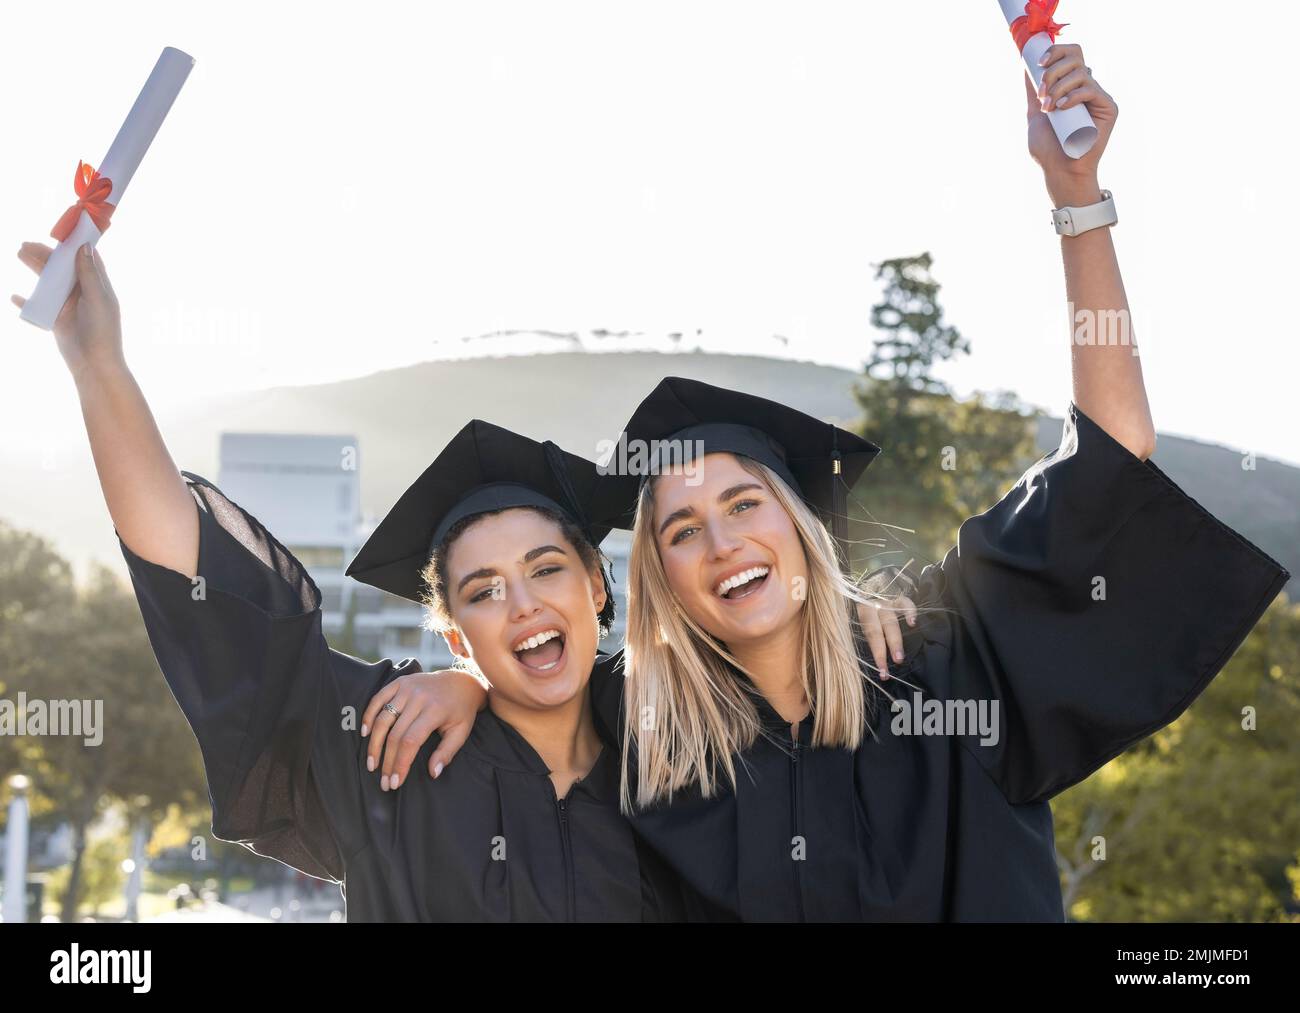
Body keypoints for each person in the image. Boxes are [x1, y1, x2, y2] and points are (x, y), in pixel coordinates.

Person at [355, 46, 1292, 920]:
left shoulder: (945, 659)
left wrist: (1077, 197)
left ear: (800, 526)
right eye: (680, 532)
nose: (721, 544)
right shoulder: (649, 732)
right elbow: (536, 666)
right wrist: (468, 682)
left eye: (743, 503)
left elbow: (1112, 450)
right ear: (664, 583)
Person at [9, 235, 691, 920]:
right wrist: (99, 365)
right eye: (483, 590)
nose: (522, 603)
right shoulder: (392, 751)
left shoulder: (688, 767)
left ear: (597, 587)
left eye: (546, 568)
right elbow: (203, 582)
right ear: (454, 636)